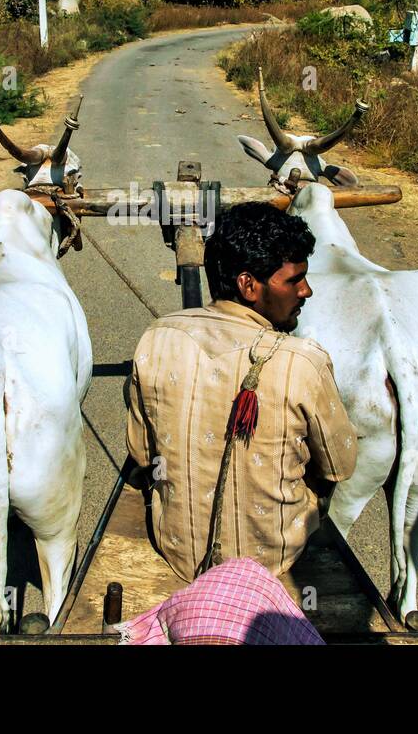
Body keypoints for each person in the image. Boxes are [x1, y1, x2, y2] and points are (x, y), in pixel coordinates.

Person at [125, 202, 356, 583]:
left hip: (176, 552)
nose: (306, 290)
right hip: (273, 562)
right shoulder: (303, 362)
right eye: (294, 280)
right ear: (249, 285)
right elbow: (340, 466)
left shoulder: (156, 338)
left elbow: (140, 452)